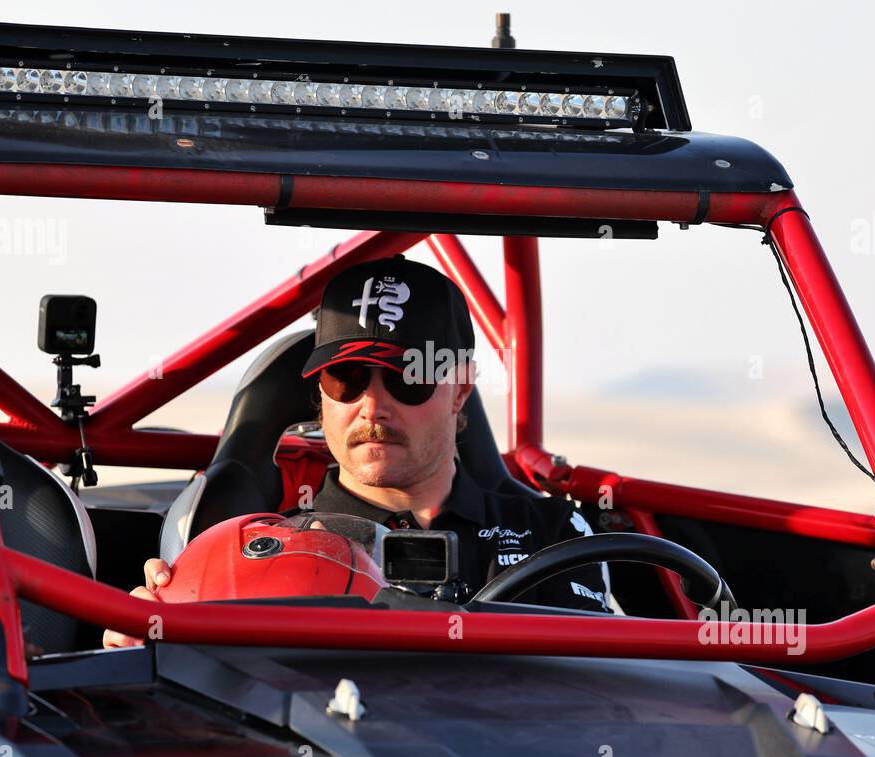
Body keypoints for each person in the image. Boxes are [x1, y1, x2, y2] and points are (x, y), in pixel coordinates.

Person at [103, 255, 613, 648]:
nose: (372, 406)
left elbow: (593, 697)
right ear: (319, 395)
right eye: (345, 378)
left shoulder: (552, 536)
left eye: (404, 379)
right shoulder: (257, 549)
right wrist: (144, 637)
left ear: (460, 391)